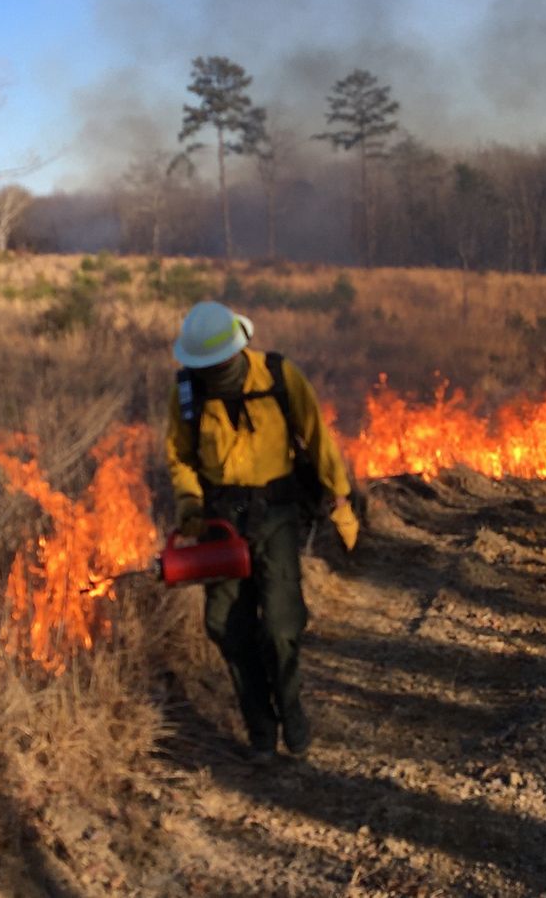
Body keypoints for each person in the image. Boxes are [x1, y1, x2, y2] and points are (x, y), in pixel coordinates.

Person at [166, 300, 359, 762]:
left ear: (237, 352)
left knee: (280, 624)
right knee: (224, 626)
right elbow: (180, 455)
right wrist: (189, 502)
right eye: (205, 366)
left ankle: (291, 711)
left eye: (220, 364)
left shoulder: (277, 375)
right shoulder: (189, 393)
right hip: (220, 522)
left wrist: (340, 498)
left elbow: (317, 436)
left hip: (275, 515)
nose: (214, 372)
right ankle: (260, 730)